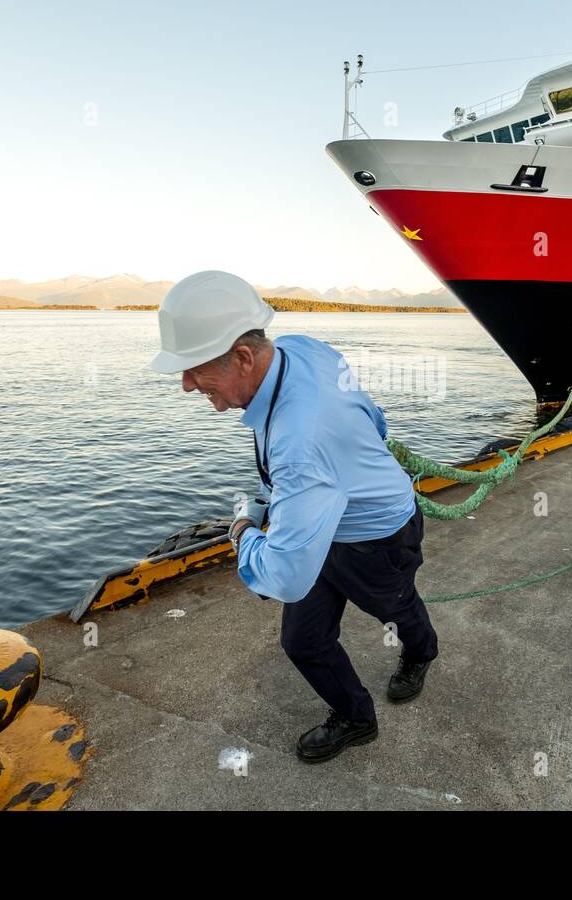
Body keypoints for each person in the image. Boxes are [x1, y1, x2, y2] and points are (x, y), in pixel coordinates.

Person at [150, 271, 440, 763]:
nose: (185, 385)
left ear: (243, 357)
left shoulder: (301, 442)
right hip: (315, 523)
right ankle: (356, 719)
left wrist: (242, 530)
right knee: (303, 640)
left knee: (395, 605)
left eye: (194, 368)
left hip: (375, 533)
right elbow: (371, 413)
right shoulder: (300, 348)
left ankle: (420, 653)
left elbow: (284, 576)